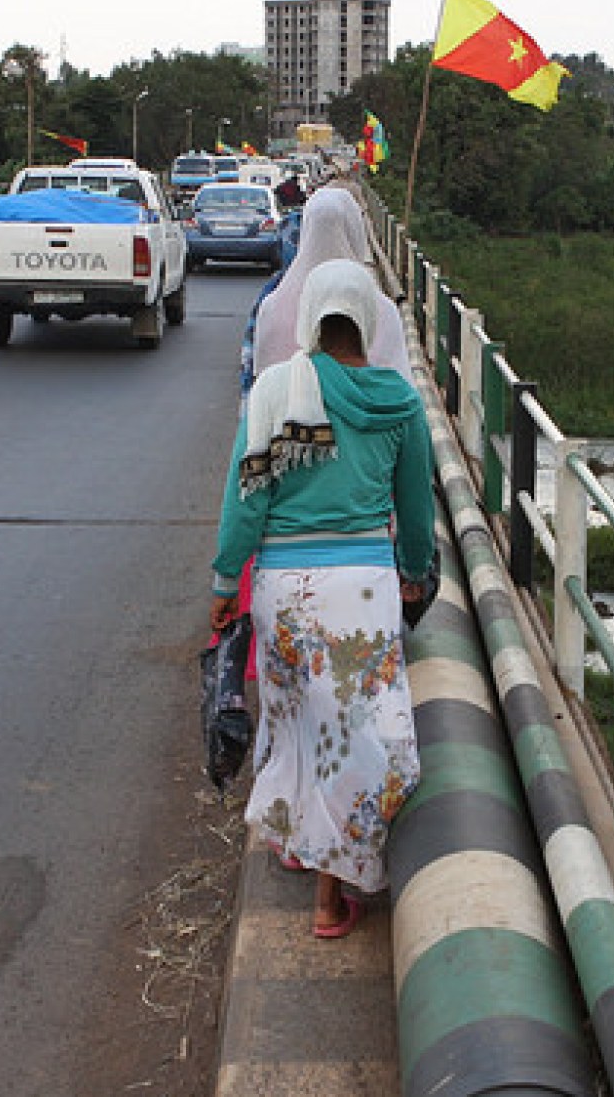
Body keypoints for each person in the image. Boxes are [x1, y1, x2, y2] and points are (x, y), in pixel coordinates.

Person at [210, 258, 435, 939]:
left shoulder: (277, 390)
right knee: (366, 741)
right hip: (364, 593)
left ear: (310, 317)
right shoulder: (398, 401)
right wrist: (416, 572)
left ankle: (295, 841)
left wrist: (225, 585)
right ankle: (331, 891)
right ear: (367, 319)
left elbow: (244, 504)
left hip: (285, 594)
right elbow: (416, 511)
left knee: (297, 727)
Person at [244, 186, 410, 401]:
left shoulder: (271, 308)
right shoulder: (382, 311)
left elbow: (257, 393)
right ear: (354, 231)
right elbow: (401, 395)